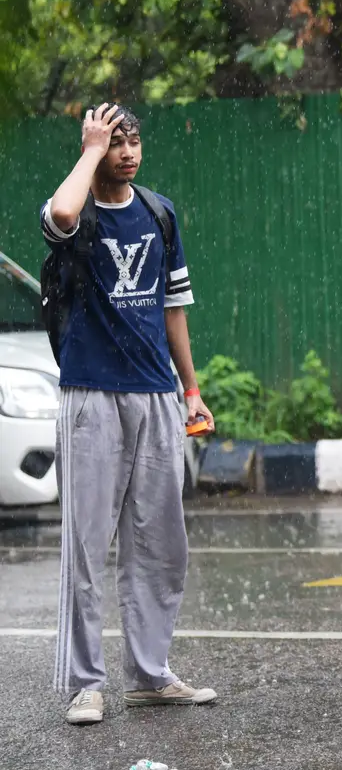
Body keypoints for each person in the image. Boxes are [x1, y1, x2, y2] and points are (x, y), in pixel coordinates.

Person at [41, 103, 217, 725]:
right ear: (94, 146)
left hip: (155, 393)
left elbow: (175, 308)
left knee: (160, 543)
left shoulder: (160, 212)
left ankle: (150, 673)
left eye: (133, 139)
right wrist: (88, 151)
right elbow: (60, 213)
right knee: (87, 544)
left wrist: (190, 389)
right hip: (90, 392)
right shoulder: (75, 205)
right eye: (115, 141)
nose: (127, 150)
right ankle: (85, 684)